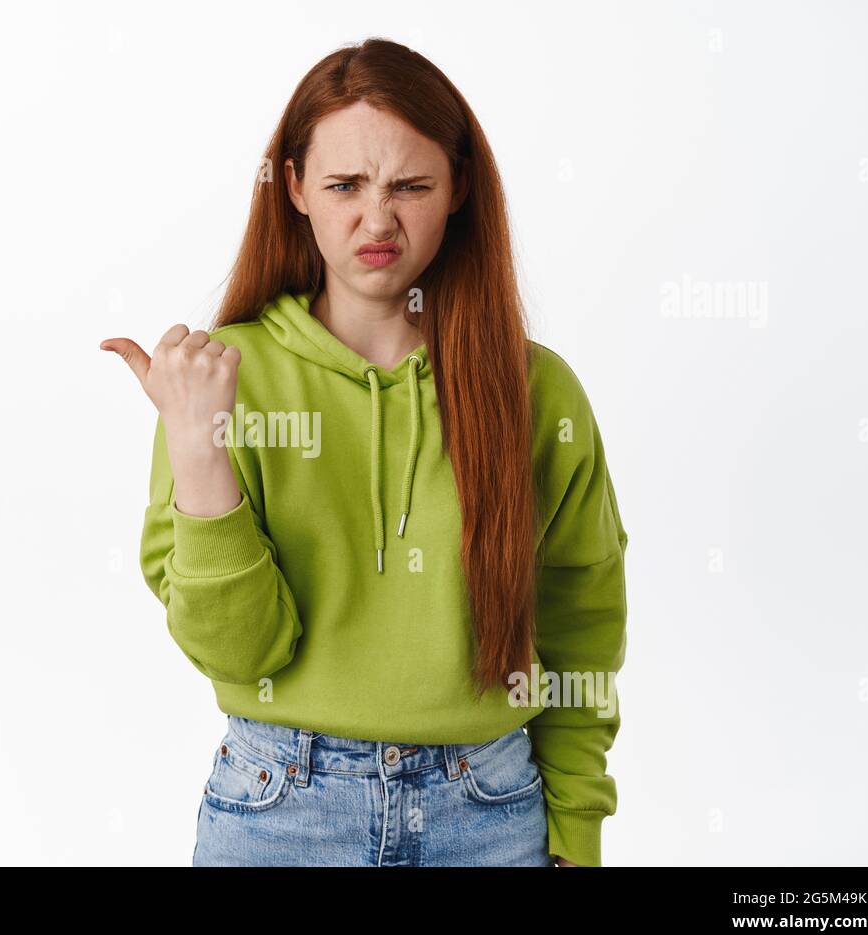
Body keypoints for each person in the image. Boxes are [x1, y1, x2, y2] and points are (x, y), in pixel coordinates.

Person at [102, 37, 628, 867]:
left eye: (410, 186)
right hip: (279, 812)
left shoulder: (536, 391)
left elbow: (582, 625)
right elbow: (241, 654)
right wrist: (199, 449)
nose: (377, 220)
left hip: (490, 812)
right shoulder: (221, 377)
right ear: (296, 189)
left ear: (457, 190)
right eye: (345, 185)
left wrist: (578, 832)